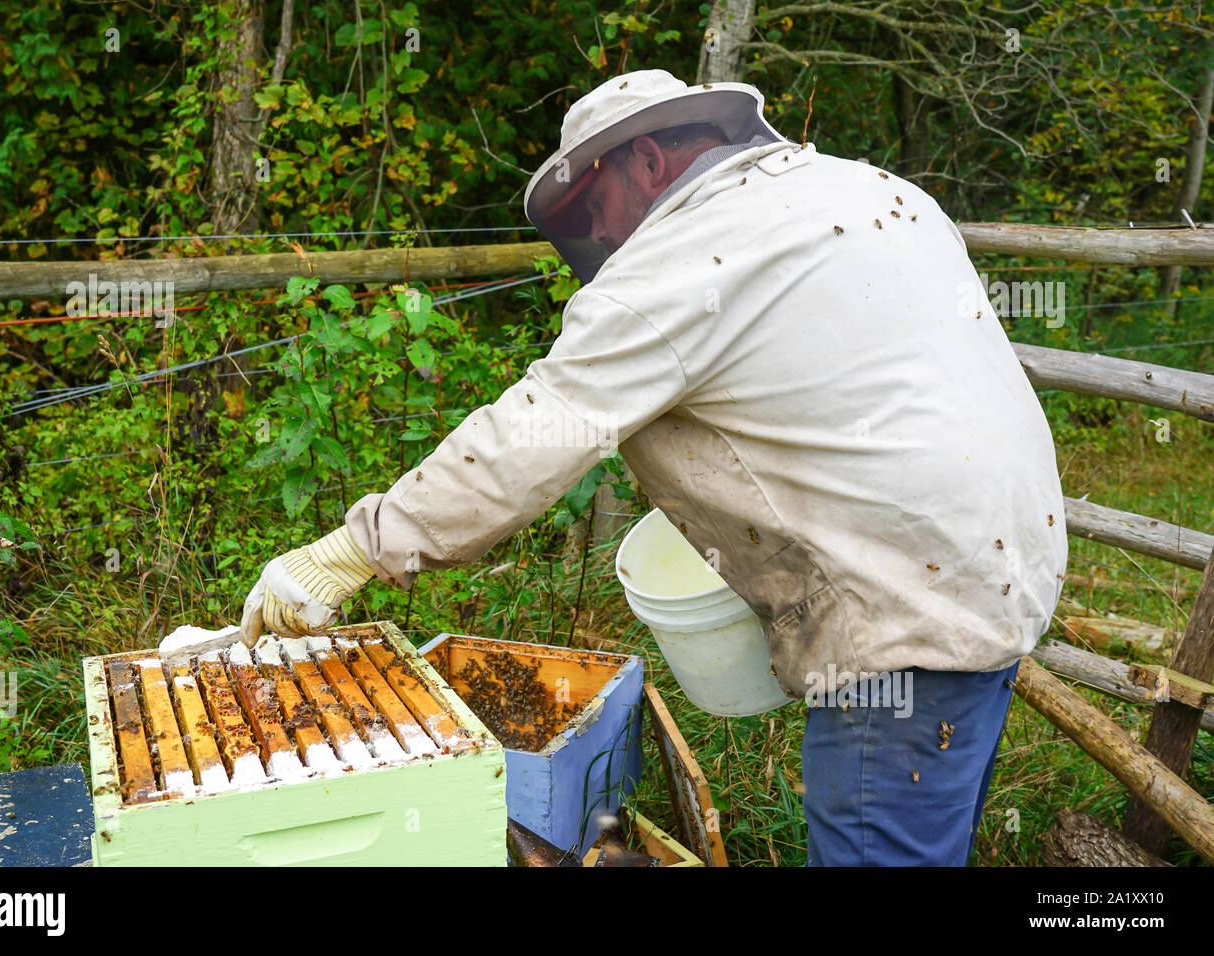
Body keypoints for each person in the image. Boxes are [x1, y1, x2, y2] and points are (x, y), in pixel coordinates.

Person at [239, 69, 1067, 866]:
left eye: (593, 208)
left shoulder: (686, 257)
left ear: (645, 160)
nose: (598, 236)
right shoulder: (868, 192)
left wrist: (353, 550)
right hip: (1001, 573)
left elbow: (535, 433)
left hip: (902, 615)